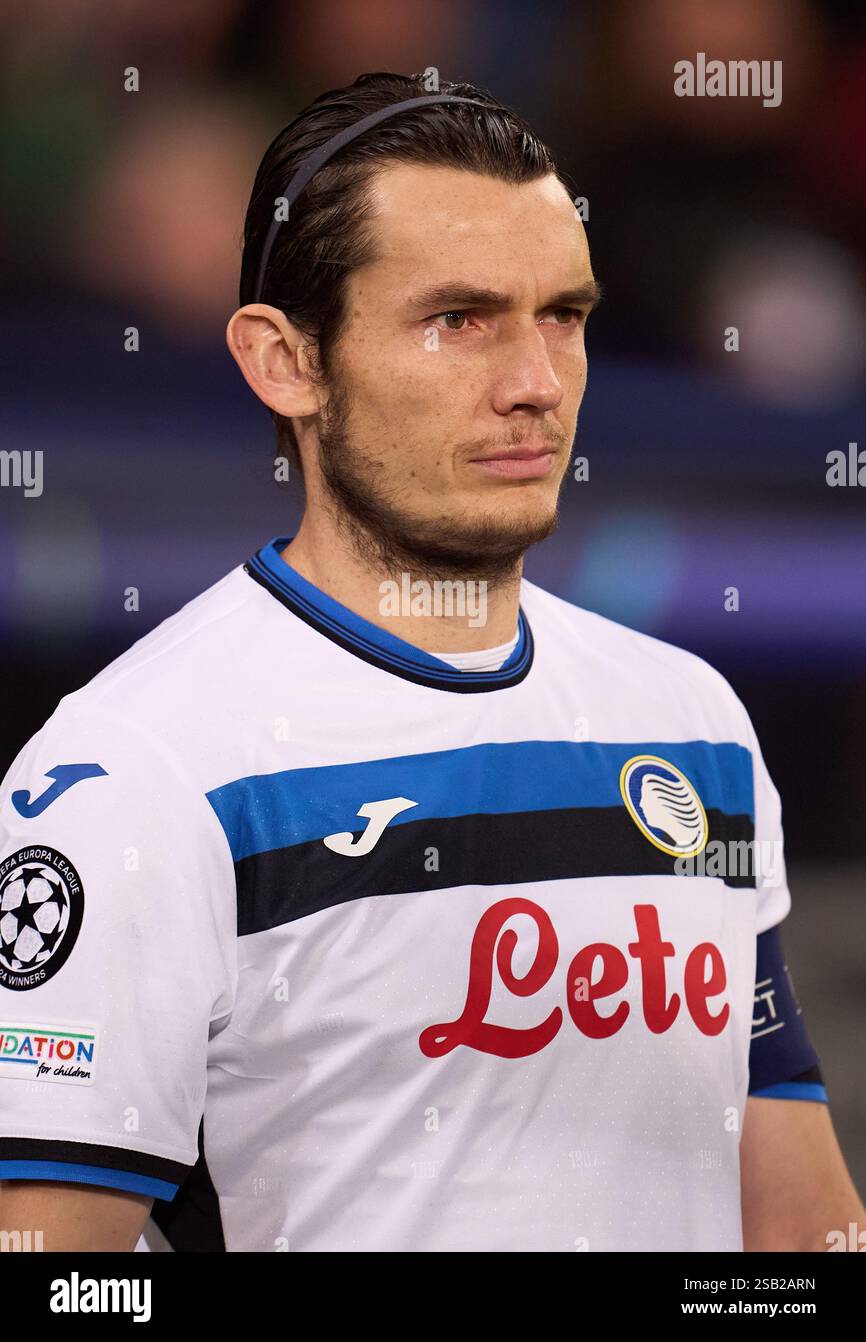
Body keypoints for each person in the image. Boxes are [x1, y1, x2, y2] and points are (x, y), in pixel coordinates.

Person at [0, 71, 862, 1252]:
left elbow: (800, 1235)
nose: (534, 384)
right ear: (283, 363)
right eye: (457, 319)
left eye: (561, 315)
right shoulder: (135, 772)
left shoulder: (688, 720)